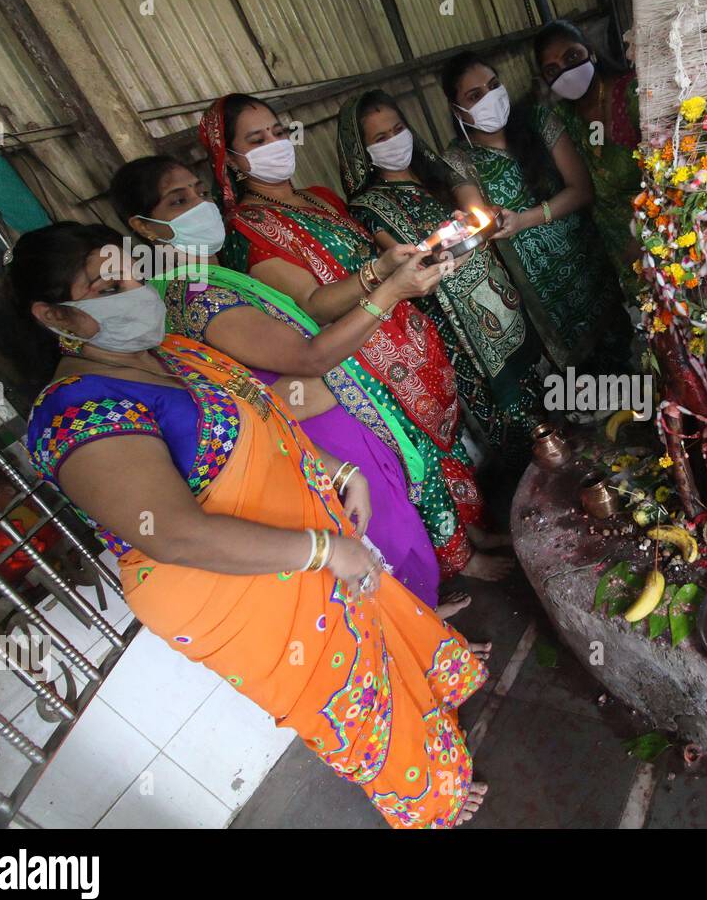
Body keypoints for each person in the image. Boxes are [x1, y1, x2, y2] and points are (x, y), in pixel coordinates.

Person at [9, 222, 488, 827]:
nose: (135, 290)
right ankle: (424, 794)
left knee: (380, 641)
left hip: (307, 544)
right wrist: (324, 550)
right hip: (236, 589)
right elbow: (175, 533)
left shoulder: (174, 354)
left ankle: (432, 729)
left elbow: (267, 420)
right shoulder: (76, 409)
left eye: (134, 272)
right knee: (346, 697)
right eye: (108, 288)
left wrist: (338, 472)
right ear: (55, 317)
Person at [108, 154, 469, 616]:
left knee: (390, 529)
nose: (201, 205)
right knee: (384, 538)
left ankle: (427, 625)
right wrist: (392, 290)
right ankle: (424, 643)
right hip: (324, 435)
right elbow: (309, 356)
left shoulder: (212, 279)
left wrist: (382, 274)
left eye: (200, 191)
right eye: (179, 201)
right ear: (146, 227)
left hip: (333, 422)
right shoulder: (194, 295)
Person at [198, 94, 513, 582]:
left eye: (279, 132)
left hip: (405, 334)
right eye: (256, 140)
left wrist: (409, 262)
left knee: (445, 444)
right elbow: (313, 302)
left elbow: (372, 261)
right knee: (416, 460)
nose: (275, 144)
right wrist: (379, 276)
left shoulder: (320, 197)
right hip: (360, 356)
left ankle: (474, 530)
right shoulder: (247, 227)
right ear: (232, 160)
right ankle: (460, 560)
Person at [336, 90, 546, 470]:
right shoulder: (369, 206)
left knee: (537, 386)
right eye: (380, 138)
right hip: (456, 327)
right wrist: (453, 241)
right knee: (509, 418)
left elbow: (470, 203)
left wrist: (482, 216)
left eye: (398, 129)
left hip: (496, 298)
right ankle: (532, 480)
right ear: (362, 151)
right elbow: (411, 264)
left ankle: (562, 444)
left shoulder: (432, 171)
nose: (394, 140)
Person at [440, 51, 632, 375]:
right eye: (475, 96)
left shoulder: (539, 121)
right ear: (457, 110)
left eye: (493, 85)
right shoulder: (459, 159)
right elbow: (476, 210)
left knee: (621, 345)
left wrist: (525, 219)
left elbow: (582, 189)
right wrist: (488, 218)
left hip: (584, 260)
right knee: (583, 376)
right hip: (538, 289)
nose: (489, 98)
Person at [534, 20, 643, 277]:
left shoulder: (631, 95)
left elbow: (669, 170)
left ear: (590, 51)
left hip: (660, 239)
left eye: (572, 56)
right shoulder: (563, 119)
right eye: (552, 70)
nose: (565, 71)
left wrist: (644, 235)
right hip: (619, 256)